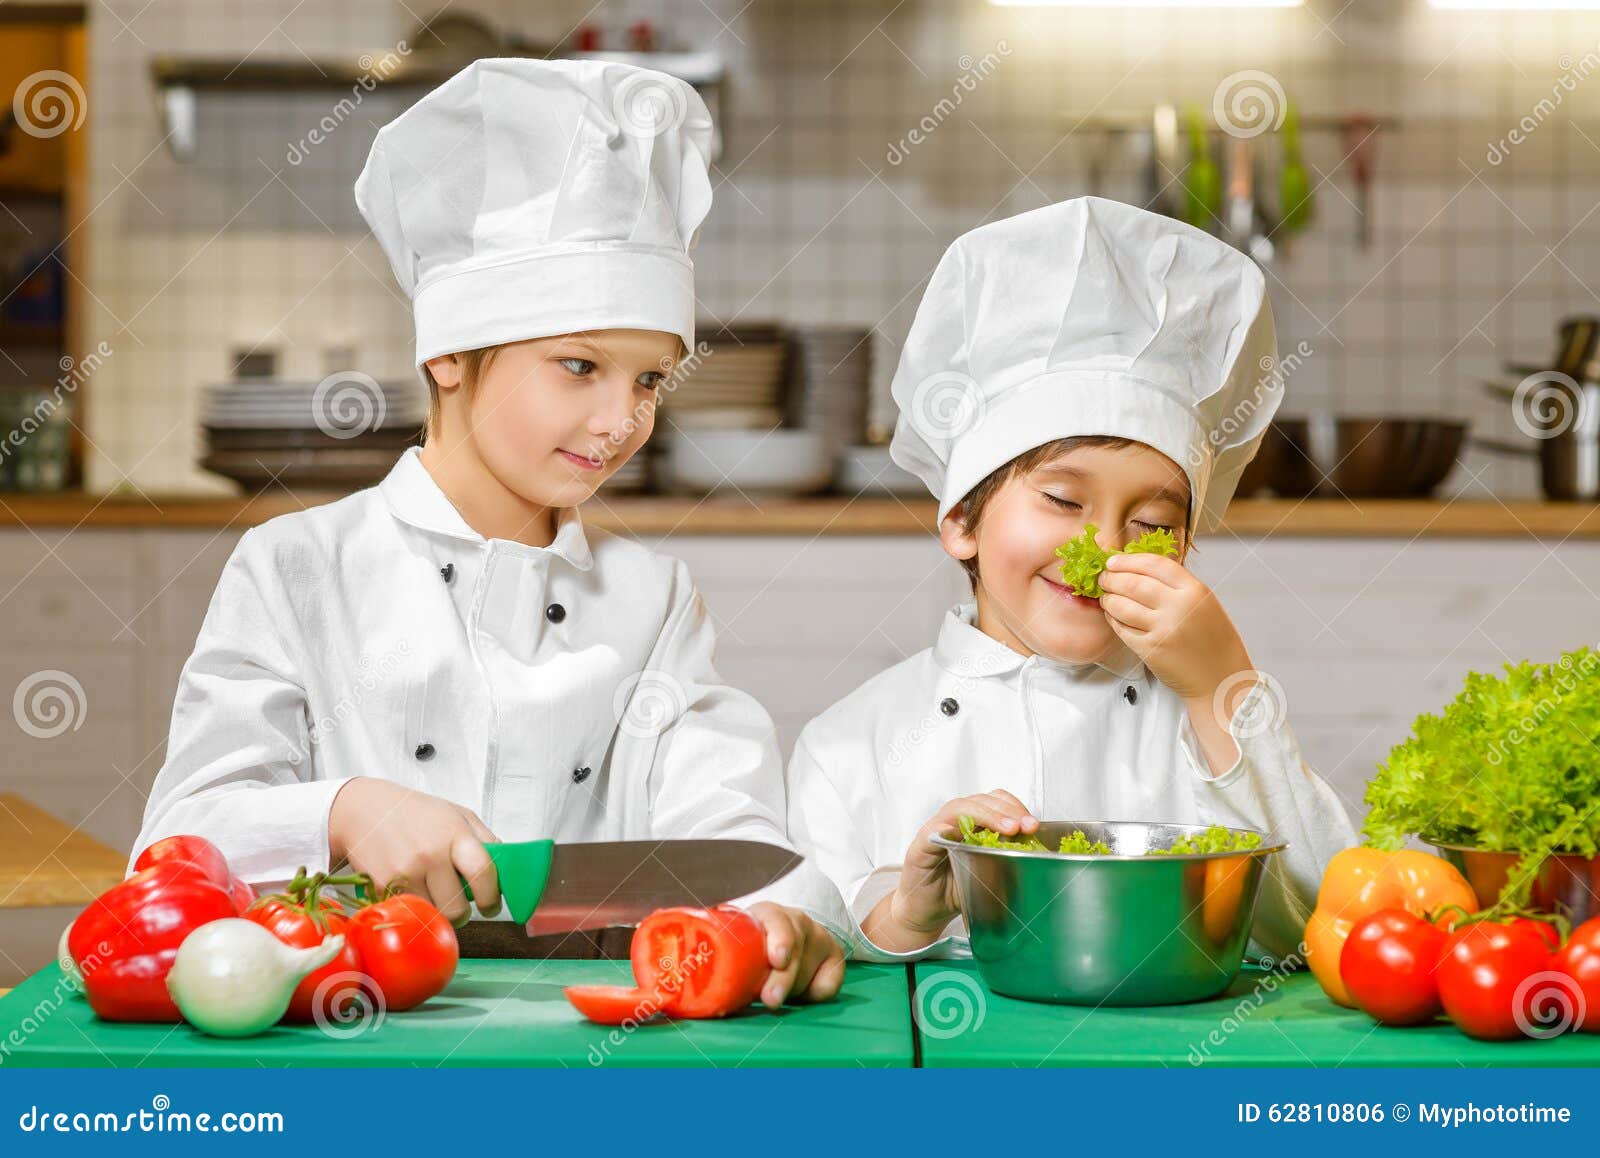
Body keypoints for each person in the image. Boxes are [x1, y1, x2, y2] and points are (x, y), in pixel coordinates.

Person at [135, 58, 845, 1008]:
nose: (619, 423)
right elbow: (176, 842)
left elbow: (728, 821)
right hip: (344, 1034)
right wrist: (346, 809)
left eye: (647, 381)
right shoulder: (297, 566)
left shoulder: (652, 599)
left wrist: (782, 915)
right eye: (580, 366)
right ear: (450, 354)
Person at [786, 196, 1358, 961]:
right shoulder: (849, 744)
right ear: (961, 519)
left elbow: (1317, 922)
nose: (1106, 547)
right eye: (1062, 499)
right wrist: (908, 915)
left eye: (1153, 523)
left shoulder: (1197, 723)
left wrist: (1223, 684)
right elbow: (816, 952)